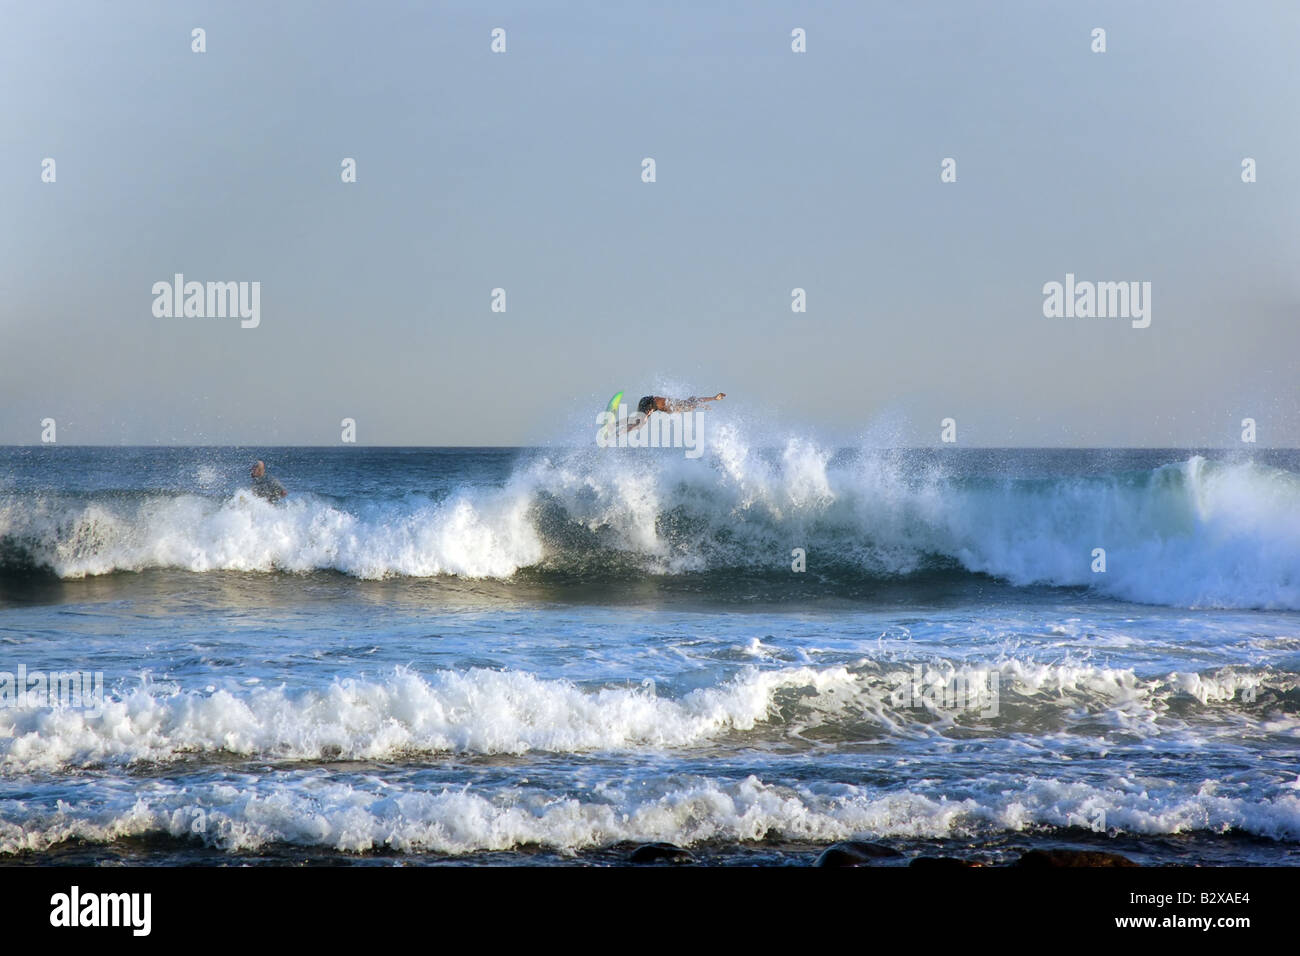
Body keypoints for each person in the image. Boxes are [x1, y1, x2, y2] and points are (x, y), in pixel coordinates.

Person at [624, 392, 726, 433]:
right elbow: (698, 400)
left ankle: (617, 427)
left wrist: (706, 403)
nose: (691, 410)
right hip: (650, 403)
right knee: (640, 424)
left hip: (649, 402)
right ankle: (616, 432)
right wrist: (713, 398)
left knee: (637, 422)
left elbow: (698, 401)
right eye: (692, 407)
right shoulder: (682, 405)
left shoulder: (681, 405)